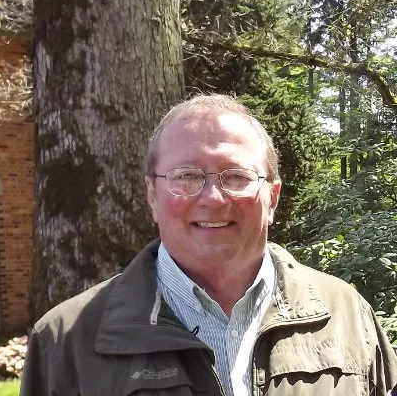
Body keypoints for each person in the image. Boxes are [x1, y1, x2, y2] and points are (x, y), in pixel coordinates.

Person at [21, 94, 397, 396]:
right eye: (186, 176)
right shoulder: (64, 341)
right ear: (151, 194)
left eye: (236, 176)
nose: (213, 199)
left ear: (273, 198)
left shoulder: (348, 315)